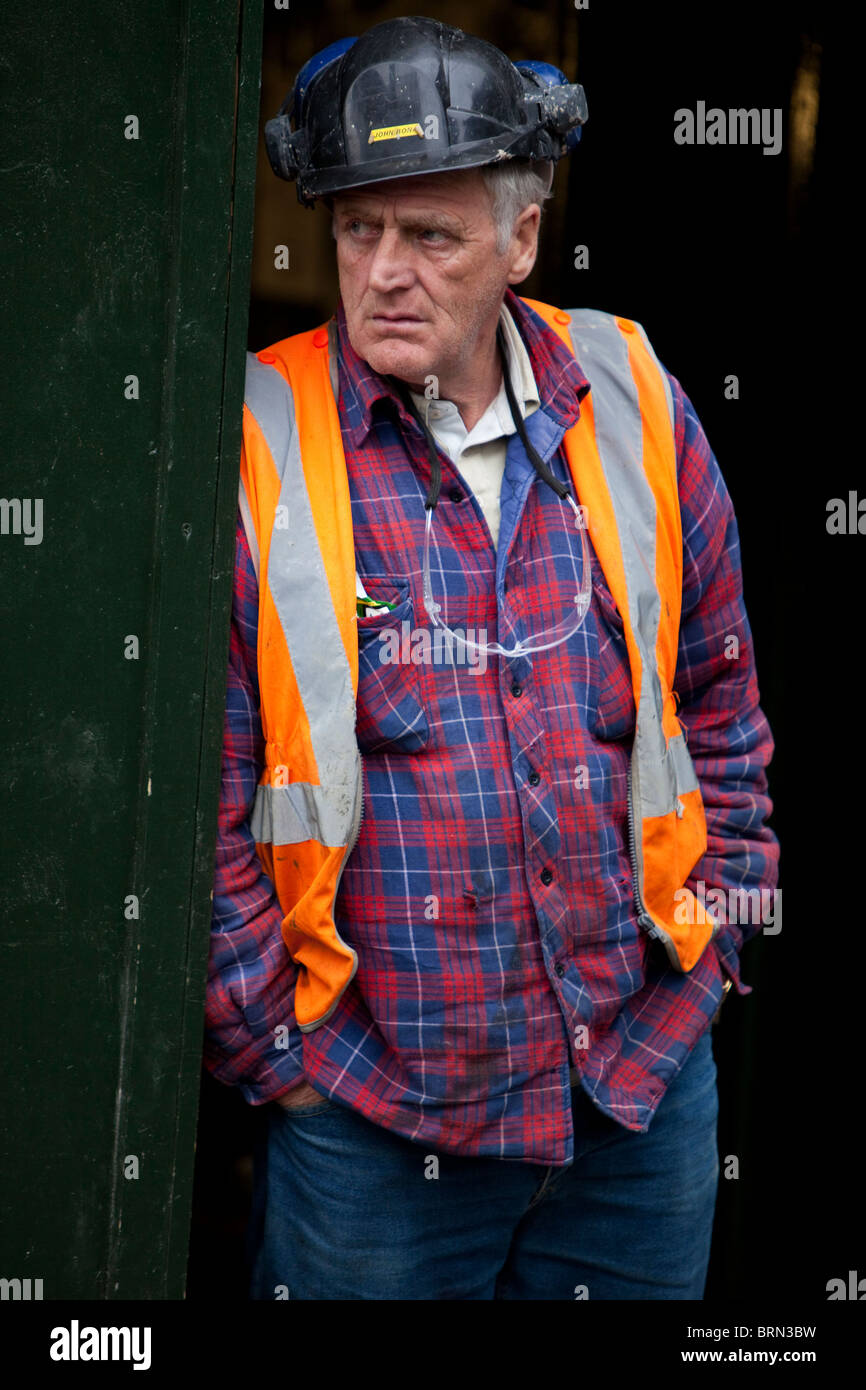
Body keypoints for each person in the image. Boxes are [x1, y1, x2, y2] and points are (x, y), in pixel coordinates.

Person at [204, 15, 779, 1300]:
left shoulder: (631, 395)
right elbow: (203, 796)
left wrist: (720, 945)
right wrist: (277, 1059)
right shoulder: (257, 437)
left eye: (431, 235)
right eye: (359, 231)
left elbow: (720, 697)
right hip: (375, 1129)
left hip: (635, 1097)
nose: (383, 273)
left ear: (520, 241)